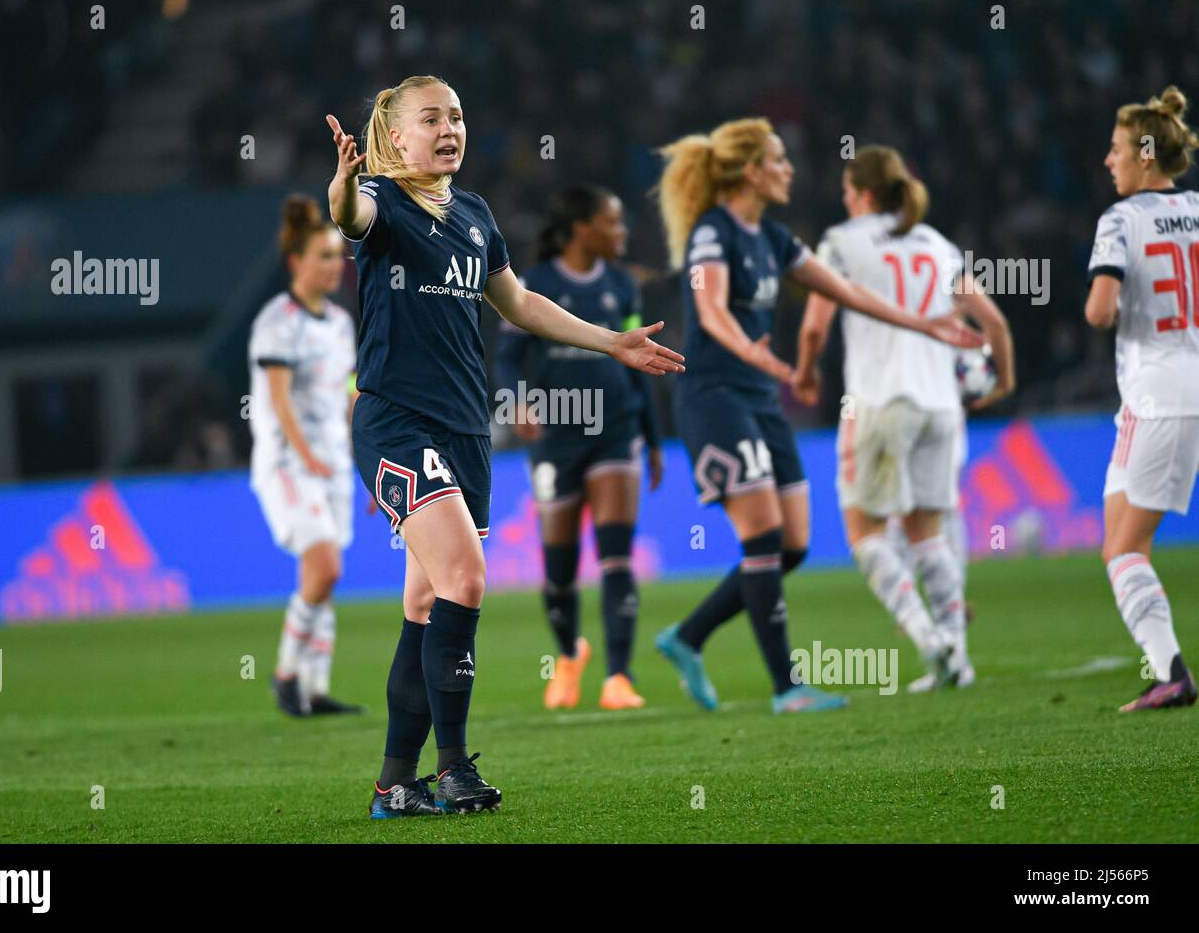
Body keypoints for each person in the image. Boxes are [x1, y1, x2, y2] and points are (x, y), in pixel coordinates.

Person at [325, 75, 684, 818]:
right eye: (431, 118)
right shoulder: (384, 205)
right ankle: (452, 765)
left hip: (464, 429)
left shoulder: (476, 215)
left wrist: (611, 342)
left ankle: (395, 784)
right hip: (396, 420)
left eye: (457, 115)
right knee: (466, 577)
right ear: (395, 137)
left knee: (426, 602)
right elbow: (348, 216)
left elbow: (518, 302)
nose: (449, 128)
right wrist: (344, 184)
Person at [651, 119, 981, 713]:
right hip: (715, 399)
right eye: (778, 159)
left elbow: (850, 293)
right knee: (763, 535)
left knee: (794, 545)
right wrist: (748, 347)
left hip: (760, 399)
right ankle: (787, 688)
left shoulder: (773, 238)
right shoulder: (712, 232)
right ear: (751, 171)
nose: (789, 169)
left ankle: (687, 636)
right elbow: (711, 307)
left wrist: (923, 322)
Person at [793, 145, 1015, 691]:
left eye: (848, 192)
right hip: (942, 406)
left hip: (879, 401)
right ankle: (957, 657)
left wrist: (804, 372)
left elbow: (815, 327)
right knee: (930, 534)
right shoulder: (936, 244)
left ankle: (928, 639)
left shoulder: (843, 244)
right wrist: (1004, 380)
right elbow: (995, 323)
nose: (845, 202)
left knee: (864, 531)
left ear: (863, 194)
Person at [495, 185, 663, 712]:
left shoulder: (622, 287)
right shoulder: (533, 285)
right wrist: (514, 401)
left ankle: (618, 676)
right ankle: (570, 655)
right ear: (581, 228)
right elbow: (505, 358)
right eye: (613, 222)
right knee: (560, 570)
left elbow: (644, 366)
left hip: (616, 430)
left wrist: (653, 439)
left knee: (617, 557)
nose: (622, 232)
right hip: (556, 435)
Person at [1084, 85, 1199, 712]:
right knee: (1120, 545)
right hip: (1166, 394)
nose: (1109, 160)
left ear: (1146, 156)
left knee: (1124, 549)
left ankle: (1173, 674)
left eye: (1117, 149)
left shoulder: (1121, 221)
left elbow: (1100, 310)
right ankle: (1165, 671)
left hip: (1161, 392)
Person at [248, 195, 366, 717]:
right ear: (296, 262)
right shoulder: (278, 321)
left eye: (339, 255)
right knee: (325, 566)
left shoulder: (341, 324)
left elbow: (348, 397)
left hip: (335, 464)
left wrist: (362, 461)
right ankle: (285, 672)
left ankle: (316, 691)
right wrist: (308, 458)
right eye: (323, 255)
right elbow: (277, 400)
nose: (335, 266)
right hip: (290, 464)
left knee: (325, 577)